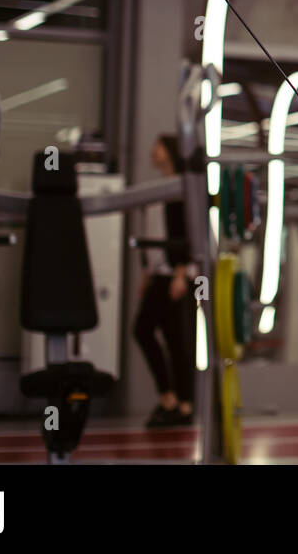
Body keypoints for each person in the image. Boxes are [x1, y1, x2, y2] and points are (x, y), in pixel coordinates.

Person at [134, 134, 196, 427]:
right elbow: (154, 235)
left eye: (157, 147)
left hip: (175, 275)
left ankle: (178, 401)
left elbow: (186, 231)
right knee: (161, 336)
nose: (152, 151)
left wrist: (182, 272)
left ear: (169, 152)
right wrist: (146, 272)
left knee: (169, 338)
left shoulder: (181, 188)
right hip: (159, 274)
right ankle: (176, 399)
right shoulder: (158, 190)